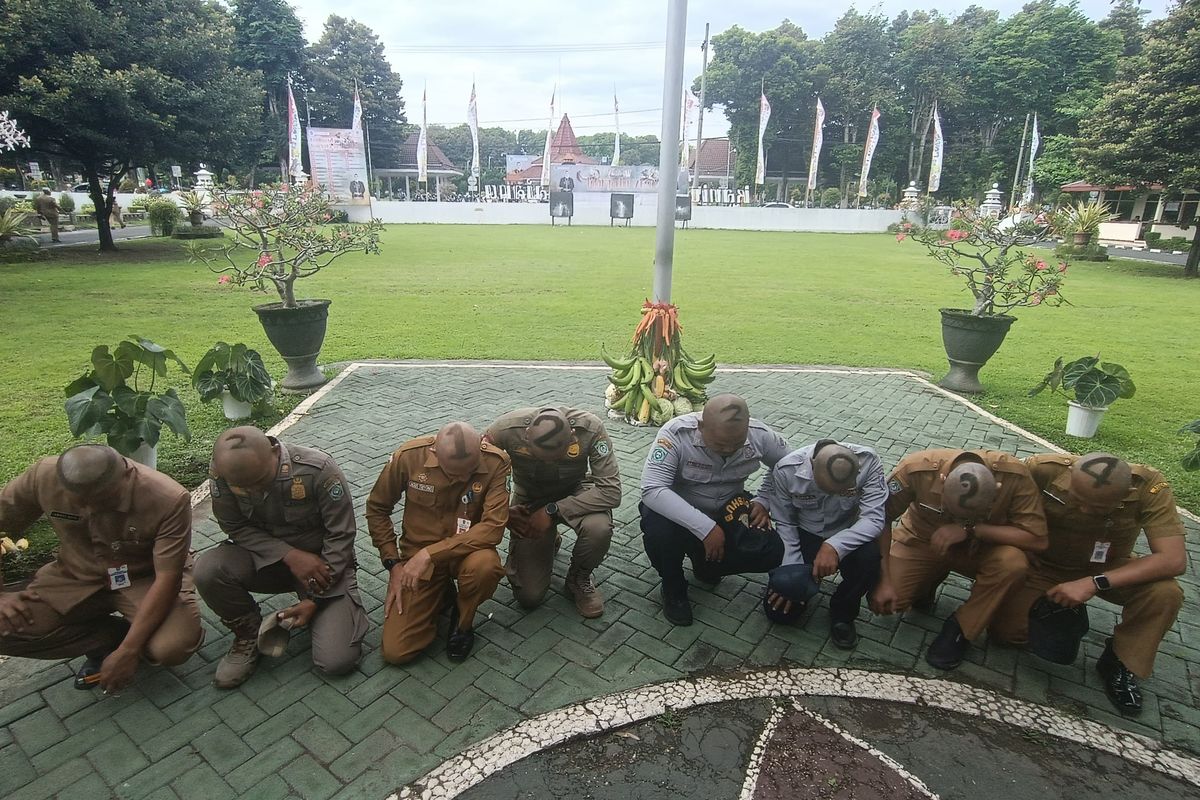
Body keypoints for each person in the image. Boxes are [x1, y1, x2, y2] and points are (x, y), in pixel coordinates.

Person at [991, 452, 1186, 714]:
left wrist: (1094, 583)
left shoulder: (1148, 488)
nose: (1084, 510)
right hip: (1046, 565)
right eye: (1077, 499)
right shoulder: (1044, 469)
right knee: (1006, 635)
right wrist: (1022, 547)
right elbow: (996, 506)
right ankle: (1060, 611)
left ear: (1126, 493)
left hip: (1107, 568)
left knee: (1165, 592)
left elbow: (1173, 560)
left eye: (1097, 508)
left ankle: (1120, 661)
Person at [0, 445, 203, 693]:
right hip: (74, 575)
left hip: (142, 579)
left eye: (101, 502)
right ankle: (107, 639)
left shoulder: (167, 498)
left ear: (126, 476)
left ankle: (131, 640)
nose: (89, 511)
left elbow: (167, 578)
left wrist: (129, 652)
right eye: (79, 503)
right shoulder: (42, 476)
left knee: (173, 646)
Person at [196, 427, 367, 688]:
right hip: (266, 561)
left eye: (259, 480)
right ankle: (248, 634)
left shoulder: (318, 470)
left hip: (322, 568)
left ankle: (317, 611)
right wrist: (288, 554)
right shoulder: (224, 472)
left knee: (336, 661)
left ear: (275, 451)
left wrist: (315, 599)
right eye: (242, 488)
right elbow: (235, 526)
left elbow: (341, 535)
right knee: (208, 570)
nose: (252, 490)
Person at [871, 449, 1048, 670]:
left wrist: (971, 528)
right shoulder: (916, 469)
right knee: (889, 600)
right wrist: (885, 580)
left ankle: (961, 628)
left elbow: (1037, 539)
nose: (958, 518)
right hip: (925, 542)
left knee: (1013, 563)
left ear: (997, 490)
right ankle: (927, 583)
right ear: (943, 482)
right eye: (952, 510)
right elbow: (881, 518)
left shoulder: (1015, 477)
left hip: (982, 548)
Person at [641, 394, 791, 626]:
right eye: (721, 444)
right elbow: (653, 489)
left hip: (729, 508)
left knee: (771, 550)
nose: (729, 449)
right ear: (701, 427)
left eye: (737, 443)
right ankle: (673, 587)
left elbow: (787, 465)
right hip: (680, 511)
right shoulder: (676, 434)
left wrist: (764, 499)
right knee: (658, 531)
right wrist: (706, 529)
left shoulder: (760, 435)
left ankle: (706, 563)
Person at [366, 422, 510, 664]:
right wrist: (393, 563)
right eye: (455, 473)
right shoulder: (409, 457)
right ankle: (441, 595)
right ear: (434, 453)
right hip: (417, 560)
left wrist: (430, 554)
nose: (465, 478)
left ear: (481, 448)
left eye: (471, 470)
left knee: (485, 566)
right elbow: (377, 508)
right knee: (396, 652)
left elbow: (493, 527)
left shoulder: (496, 462)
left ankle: (462, 623)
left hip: (466, 553)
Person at [484, 407, 621, 617]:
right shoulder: (505, 429)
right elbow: (475, 477)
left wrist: (552, 511)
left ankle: (578, 578)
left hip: (575, 491)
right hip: (529, 497)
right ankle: (548, 539)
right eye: (541, 456)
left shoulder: (590, 429)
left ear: (572, 437)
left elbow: (611, 491)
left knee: (599, 528)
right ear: (527, 435)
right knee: (529, 597)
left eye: (556, 456)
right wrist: (505, 512)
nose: (548, 462)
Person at [756, 439, 887, 648]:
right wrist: (792, 574)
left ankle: (843, 612)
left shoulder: (868, 461)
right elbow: (785, 522)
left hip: (847, 532)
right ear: (812, 465)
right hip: (805, 532)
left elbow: (874, 519)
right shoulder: (786, 469)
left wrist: (835, 546)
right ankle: (803, 582)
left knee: (869, 559)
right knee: (779, 614)